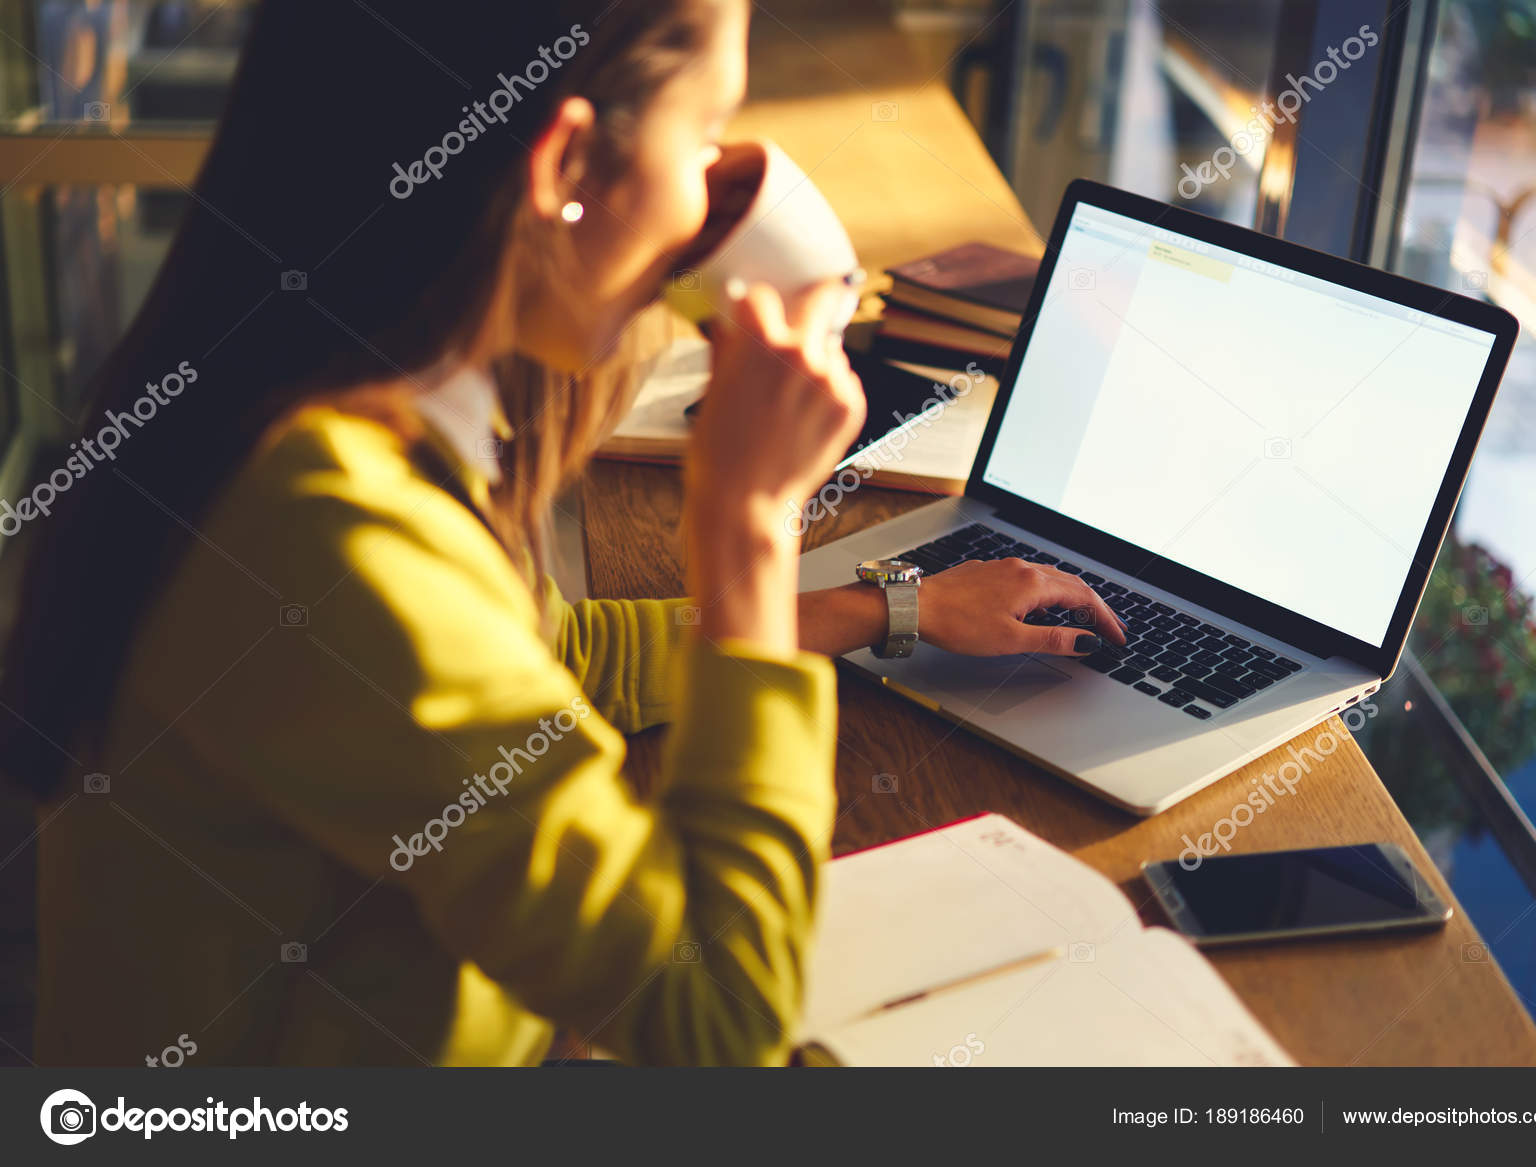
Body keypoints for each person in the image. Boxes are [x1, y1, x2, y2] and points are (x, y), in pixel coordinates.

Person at [0, 0, 1122, 1066]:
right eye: (707, 134)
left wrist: (891, 608)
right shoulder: (329, 537)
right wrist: (749, 523)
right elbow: (714, 1016)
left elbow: (542, 656)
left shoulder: (328, 399)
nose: (717, 195)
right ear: (563, 167)